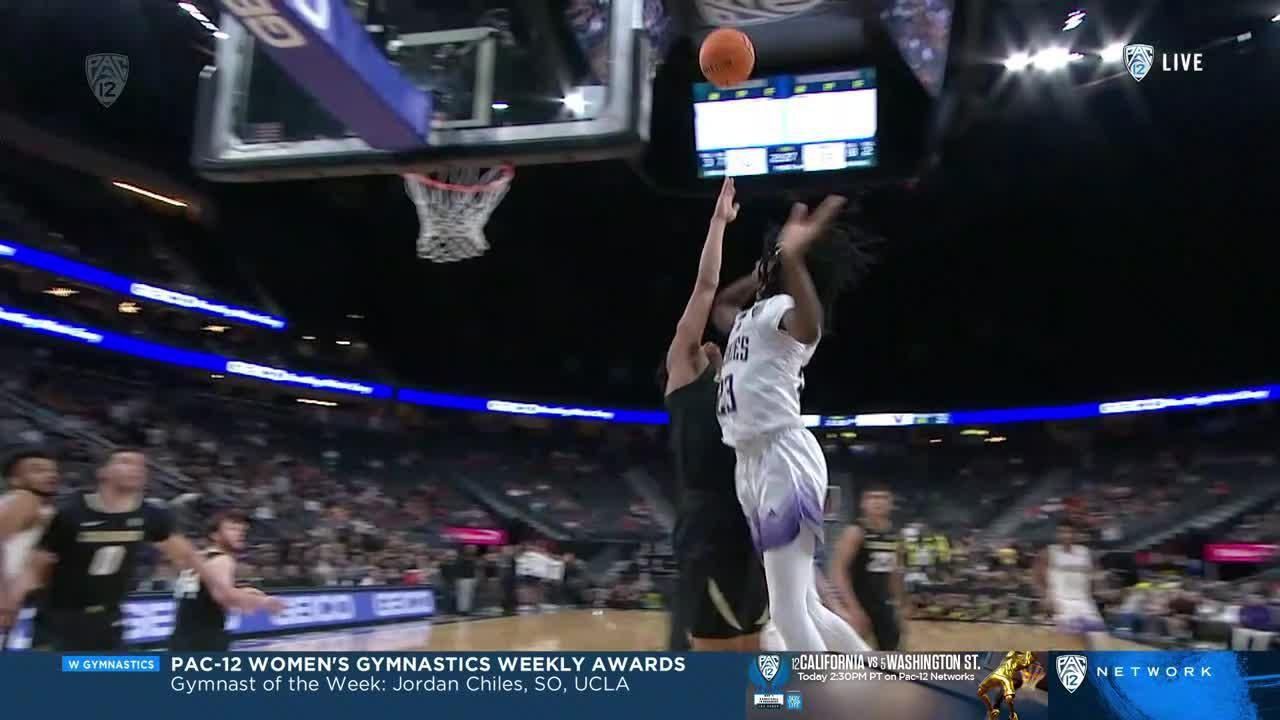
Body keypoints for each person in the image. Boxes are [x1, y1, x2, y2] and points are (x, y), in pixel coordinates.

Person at [713, 196, 872, 652]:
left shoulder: (784, 309)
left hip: (783, 455)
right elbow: (722, 304)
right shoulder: (748, 317)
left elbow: (810, 327)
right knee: (805, 606)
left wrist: (793, 260)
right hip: (751, 462)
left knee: (784, 614)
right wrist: (764, 270)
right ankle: (870, 678)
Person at [3, 447, 275, 651]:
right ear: (103, 472)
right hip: (60, 621)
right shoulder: (68, 512)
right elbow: (35, 566)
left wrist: (227, 591)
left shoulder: (151, 515)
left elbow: (188, 557)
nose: (136, 468)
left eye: (141, 465)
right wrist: (9, 600)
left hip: (109, 622)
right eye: (124, 461)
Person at [661, 178, 769, 651]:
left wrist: (767, 276)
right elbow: (709, 289)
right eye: (707, 343)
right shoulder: (685, 372)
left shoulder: (739, 388)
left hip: (749, 525)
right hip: (707, 529)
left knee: (758, 658)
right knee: (717, 661)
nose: (713, 342)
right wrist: (718, 223)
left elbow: (737, 310)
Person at [170, 509, 285, 651]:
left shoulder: (200, 558)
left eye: (242, 529)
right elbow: (223, 596)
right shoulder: (223, 560)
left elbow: (202, 594)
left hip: (180, 639)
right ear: (214, 535)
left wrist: (240, 591)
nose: (240, 532)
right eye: (232, 528)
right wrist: (263, 602)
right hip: (206, 641)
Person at [830, 482, 906, 650]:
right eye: (872, 498)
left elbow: (895, 572)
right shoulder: (855, 532)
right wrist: (852, 607)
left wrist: (899, 604)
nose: (878, 502)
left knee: (892, 653)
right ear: (863, 503)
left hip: (883, 603)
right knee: (853, 657)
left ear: (891, 503)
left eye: (883, 498)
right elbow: (838, 571)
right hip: (857, 600)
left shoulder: (894, 536)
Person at [0, 448, 59, 648]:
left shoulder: (37, 505)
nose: (50, 475)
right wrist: (4, 597)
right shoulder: (25, 499)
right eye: (37, 470)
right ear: (15, 479)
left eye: (52, 470)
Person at [1035, 520, 1108, 650]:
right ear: (1058, 534)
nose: (1066, 535)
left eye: (1069, 532)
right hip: (1062, 602)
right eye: (1063, 532)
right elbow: (1037, 576)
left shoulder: (1085, 552)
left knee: (1099, 637)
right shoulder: (1048, 552)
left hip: (1085, 602)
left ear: (1076, 534)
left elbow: (1096, 573)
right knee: (1069, 641)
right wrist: (1044, 596)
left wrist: (1102, 588)